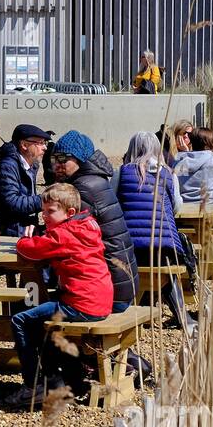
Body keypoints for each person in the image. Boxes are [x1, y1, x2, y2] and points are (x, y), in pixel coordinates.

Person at [5, 182, 114, 408]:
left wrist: (25, 238)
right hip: (100, 301)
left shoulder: (62, 235)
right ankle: (58, 377)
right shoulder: (88, 225)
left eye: (50, 212)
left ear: (69, 213)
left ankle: (32, 386)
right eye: (43, 211)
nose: (44, 216)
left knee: (20, 319)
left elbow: (29, 250)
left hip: (80, 304)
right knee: (39, 317)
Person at [49, 130, 138, 312]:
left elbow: (66, 239)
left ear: (80, 160)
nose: (57, 164)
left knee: (32, 313)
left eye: (64, 159)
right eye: (54, 159)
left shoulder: (83, 188)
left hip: (109, 292)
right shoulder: (93, 180)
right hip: (121, 285)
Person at [116, 132, 195, 331]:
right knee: (167, 272)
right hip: (165, 244)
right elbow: (177, 207)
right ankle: (182, 317)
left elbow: (114, 203)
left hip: (130, 246)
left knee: (144, 271)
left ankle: (134, 314)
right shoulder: (168, 173)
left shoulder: (122, 172)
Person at [0, 123, 50, 237]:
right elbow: (12, 202)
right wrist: (45, 200)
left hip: (23, 226)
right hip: (6, 230)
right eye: (40, 143)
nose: (45, 147)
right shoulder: (7, 166)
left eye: (45, 143)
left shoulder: (32, 164)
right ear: (24, 145)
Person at [173, 127, 213, 207]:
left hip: (185, 207)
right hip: (210, 208)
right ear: (211, 143)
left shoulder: (179, 161)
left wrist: (185, 153)